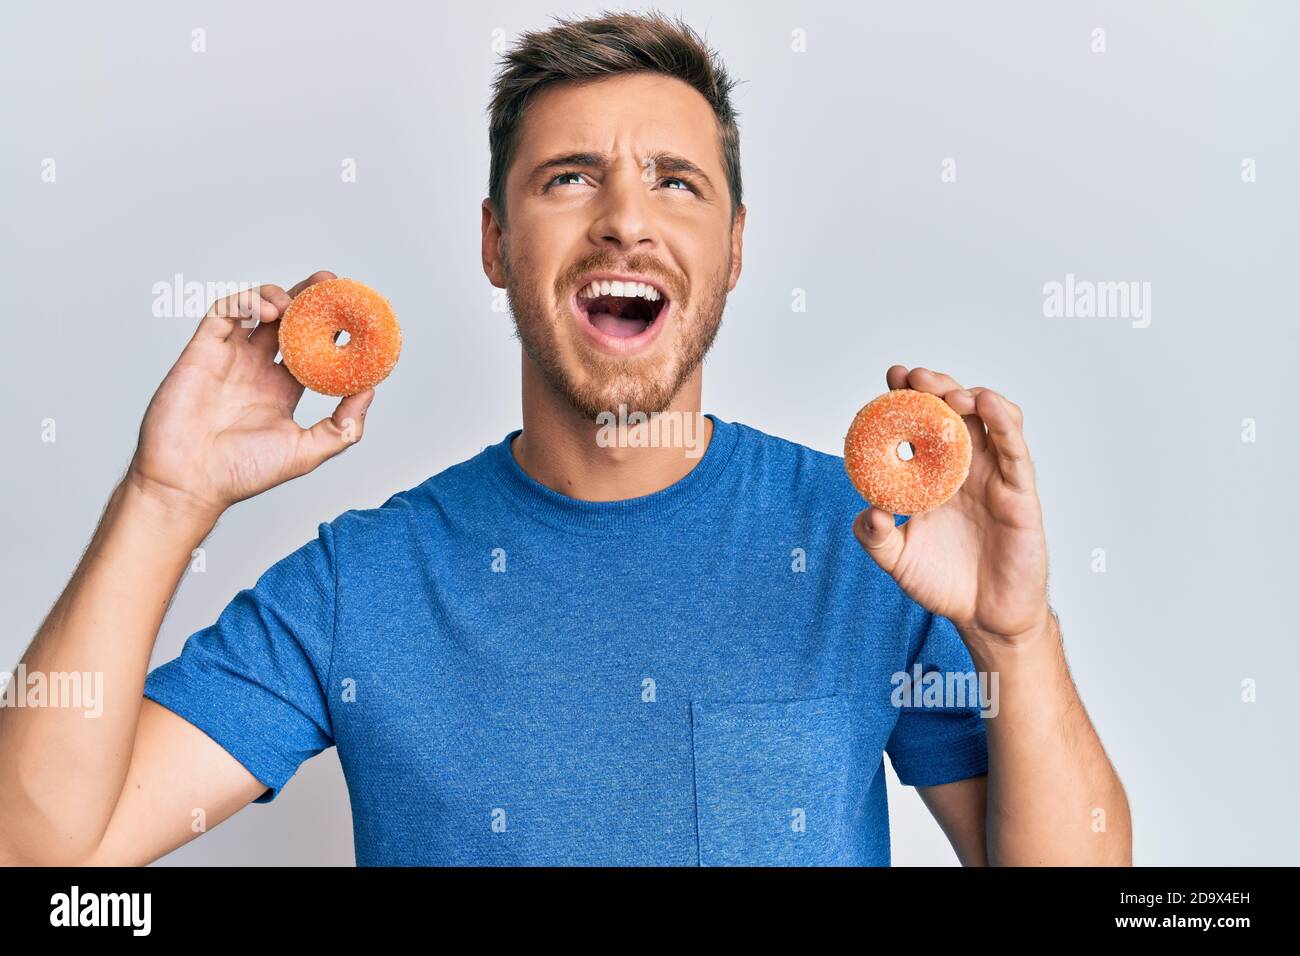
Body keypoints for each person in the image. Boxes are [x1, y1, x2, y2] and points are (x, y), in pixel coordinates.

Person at [0, 11, 1129, 866]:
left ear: (734, 249)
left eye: (674, 182)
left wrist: (1015, 643)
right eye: (569, 177)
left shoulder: (874, 544)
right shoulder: (364, 582)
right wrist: (165, 497)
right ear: (496, 241)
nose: (625, 218)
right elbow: (42, 849)